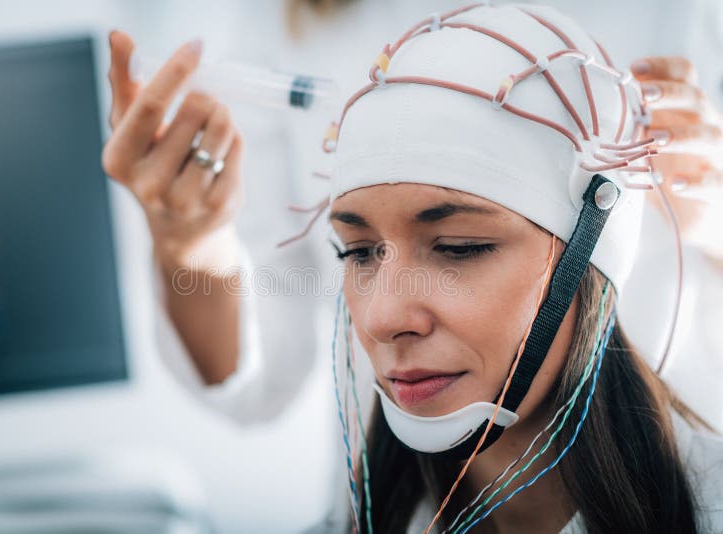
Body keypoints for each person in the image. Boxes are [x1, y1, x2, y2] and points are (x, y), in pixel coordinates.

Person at [101, 2, 723, 532]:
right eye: (356, 252)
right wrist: (188, 241)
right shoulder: (289, 18)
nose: (380, 319)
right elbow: (260, 369)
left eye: (459, 247)